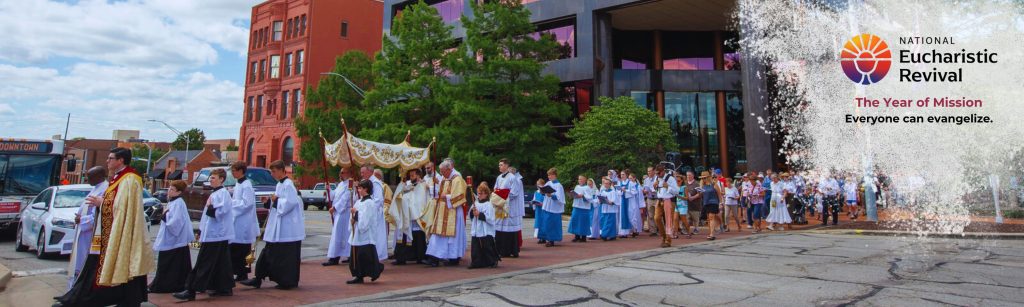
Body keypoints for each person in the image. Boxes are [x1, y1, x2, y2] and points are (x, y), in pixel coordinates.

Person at [56, 148, 153, 307]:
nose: (107, 161)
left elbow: (124, 208)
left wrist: (102, 203)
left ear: (120, 160)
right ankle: (84, 297)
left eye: (110, 158)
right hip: (104, 231)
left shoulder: (130, 179)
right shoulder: (117, 179)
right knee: (94, 264)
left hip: (120, 233)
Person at [240, 160, 304, 290]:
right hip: (277, 227)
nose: (273, 174)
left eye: (274, 171)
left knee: (283, 257)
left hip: (286, 229)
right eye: (272, 172)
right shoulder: (279, 185)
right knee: (267, 253)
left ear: (282, 170)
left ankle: (286, 281)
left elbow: (290, 203)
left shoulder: (288, 185)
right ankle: (258, 277)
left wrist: (276, 200)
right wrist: (268, 201)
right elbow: (278, 202)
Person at [174, 169, 235, 301]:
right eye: (210, 178)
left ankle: (191, 290)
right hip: (214, 234)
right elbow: (207, 217)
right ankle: (223, 287)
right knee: (221, 262)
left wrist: (211, 206)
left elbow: (221, 212)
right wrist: (201, 230)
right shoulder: (216, 193)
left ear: (221, 179)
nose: (210, 180)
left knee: (203, 262)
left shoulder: (223, 194)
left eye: (213, 178)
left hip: (217, 234)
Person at [66, 166, 107, 291]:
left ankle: (78, 291)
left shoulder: (104, 190)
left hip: (90, 235)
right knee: (77, 263)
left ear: (99, 177)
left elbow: (99, 215)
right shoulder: (96, 188)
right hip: (83, 232)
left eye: (89, 177)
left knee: (84, 264)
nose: (86, 179)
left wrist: (82, 220)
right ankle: (74, 289)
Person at [148, 180, 192, 294]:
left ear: (179, 192)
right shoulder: (173, 202)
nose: (169, 191)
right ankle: (161, 283)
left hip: (174, 239)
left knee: (169, 264)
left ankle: (165, 285)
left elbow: (176, 222)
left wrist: (164, 217)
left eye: (172, 189)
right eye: (169, 189)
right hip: (171, 238)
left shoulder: (178, 203)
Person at [424, 160, 468, 267]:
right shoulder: (444, 178)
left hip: (453, 211)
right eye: (441, 172)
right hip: (442, 210)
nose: (442, 174)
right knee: (437, 234)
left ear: (449, 169)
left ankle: (453, 257)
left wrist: (447, 197)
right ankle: (434, 257)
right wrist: (437, 186)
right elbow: (440, 191)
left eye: (443, 171)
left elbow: (461, 196)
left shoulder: (457, 179)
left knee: (452, 237)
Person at [348, 179, 385, 284]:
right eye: (358, 188)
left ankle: (376, 269)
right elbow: (356, 214)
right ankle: (358, 276)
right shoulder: (358, 201)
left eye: (360, 188)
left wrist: (355, 214)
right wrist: (352, 218)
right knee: (356, 256)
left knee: (365, 256)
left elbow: (365, 219)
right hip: (357, 234)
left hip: (365, 234)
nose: (358, 190)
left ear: (366, 189)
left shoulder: (369, 203)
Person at [390, 168, 429, 265]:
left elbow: (423, 198)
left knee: (419, 236)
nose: (411, 177)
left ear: (418, 175)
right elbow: (399, 195)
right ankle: (401, 258)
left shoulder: (423, 185)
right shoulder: (406, 184)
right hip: (406, 214)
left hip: (418, 214)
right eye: (410, 175)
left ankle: (420, 257)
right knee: (403, 235)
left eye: (413, 175)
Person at [228, 161, 259, 281]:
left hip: (243, 221)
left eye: (234, 171)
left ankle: (243, 273)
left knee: (243, 249)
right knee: (236, 248)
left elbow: (247, 204)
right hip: (237, 219)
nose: (232, 173)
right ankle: (238, 272)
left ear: (241, 171)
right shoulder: (239, 184)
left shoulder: (247, 185)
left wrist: (232, 202)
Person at [493, 158, 524, 258]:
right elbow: (495, 189)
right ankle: (500, 250)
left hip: (508, 206)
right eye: (499, 165)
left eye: (501, 165)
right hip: (500, 206)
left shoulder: (512, 178)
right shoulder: (499, 177)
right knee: (500, 227)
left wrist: (503, 195)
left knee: (509, 228)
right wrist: (498, 194)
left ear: (506, 166)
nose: (499, 166)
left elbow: (514, 193)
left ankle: (511, 250)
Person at [323, 167, 354, 266]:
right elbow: (334, 196)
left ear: (348, 173)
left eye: (342, 173)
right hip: (340, 213)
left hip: (344, 212)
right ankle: (339, 255)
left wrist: (335, 208)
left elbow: (346, 198)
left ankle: (335, 257)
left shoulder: (350, 183)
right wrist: (329, 189)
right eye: (340, 173)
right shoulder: (341, 184)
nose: (340, 175)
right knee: (340, 234)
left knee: (340, 234)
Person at [469, 182, 500, 269]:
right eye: (478, 193)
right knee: (476, 246)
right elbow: (470, 214)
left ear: (486, 194)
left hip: (485, 229)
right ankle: (476, 262)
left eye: (481, 193)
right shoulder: (476, 203)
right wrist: (472, 212)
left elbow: (490, 218)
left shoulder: (488, 205)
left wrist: (479, 214)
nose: (479, 195)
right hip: (476, 228)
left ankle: (492, 261)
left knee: (487, 246)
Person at [364, 166, 389, 261]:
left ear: (369, 172)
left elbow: (378, 200)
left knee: (377, 237)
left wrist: (368, 208)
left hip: (375, 214)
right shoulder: (367, 182)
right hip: (369, 214)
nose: (361, 175)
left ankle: (377, 258)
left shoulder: (375, 183)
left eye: (363, 172)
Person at [537, 168, 565, 247]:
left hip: (554, 208)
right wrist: (542, 191)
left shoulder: (559, 186)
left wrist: (552, 195)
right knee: (545, 223)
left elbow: (560, 198)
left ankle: (551, 240)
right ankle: (544, 238)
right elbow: (544, 192)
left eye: (550, 175)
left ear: (555, 175)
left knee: (551, 224)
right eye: (548, 175)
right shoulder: (548, 183)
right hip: (547, 206)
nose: (549, 176)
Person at [653, 165, 678, 247]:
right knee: (656, 218)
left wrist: (668, 186)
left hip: (668, 200)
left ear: (663, 171)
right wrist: (654, 186)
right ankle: (663, 236)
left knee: (668, 220)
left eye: (659, 173)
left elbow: (676, 191)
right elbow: (655, 190)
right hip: (659, 200)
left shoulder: (670, 178)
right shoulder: (657, 178)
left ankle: (668, 240)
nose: (657, 175)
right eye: (656, 173)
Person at [697, 171, 722, 240]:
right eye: (702, 178)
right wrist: (699, 190)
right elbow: (700, 196)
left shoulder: (714, 184)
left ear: (708, 177)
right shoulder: (702, 185)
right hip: (706, 203)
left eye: (704, 178)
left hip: (714, 202)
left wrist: (720, 203)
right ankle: (711, 232)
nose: (703, 179)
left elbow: (719, 194)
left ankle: (712, 234)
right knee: (708, 218)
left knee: (711, 217)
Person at [567, 175, 593, 242]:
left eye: (581, 179)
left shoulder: (587, 187)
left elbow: (590, 197)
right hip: (576, 206)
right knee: (575, 221)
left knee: (583, 222)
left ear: (585, 180)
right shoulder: (577, 186)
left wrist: (583, 196)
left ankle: (583, 237)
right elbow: (575, 194)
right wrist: (573, 195)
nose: (579, 180)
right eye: (579, 179)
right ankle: (577, 236)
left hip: (584, 208)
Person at [673, 173, 692, 239]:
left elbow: (687, 198)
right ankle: (675, 233)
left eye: (678, 181)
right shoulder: (675, 188)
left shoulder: (684, 188)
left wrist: (680, 196)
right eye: (676, 181)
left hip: (683, 206)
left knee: (684, 220)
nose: (677, 182)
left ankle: (689, 232)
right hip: (677, 205)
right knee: (675, 219)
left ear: (682, 181)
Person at [683, 171, 702, 235]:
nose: (688, 176)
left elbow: (700, 194)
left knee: (695, 218)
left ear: (693, 176)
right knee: (687, 217)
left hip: (695, 204)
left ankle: (696, 229)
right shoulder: (685, 183)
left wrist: (693, 197)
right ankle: (686, 229)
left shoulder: (697, 183)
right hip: (686, 204)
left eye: (689, 175)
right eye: (687, 175)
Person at [642, 167, 658, 235]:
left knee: (658, 215)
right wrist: (644, 191)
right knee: (650, 216)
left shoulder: (657, 178)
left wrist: (655, 190)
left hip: (657, 198)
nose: (649, 172)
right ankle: (653, 231)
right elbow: (644, 188)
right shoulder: (646, 180)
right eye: (648, 171)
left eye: (650, 171)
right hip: (649, 198)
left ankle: (660, 229)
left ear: (654, 171)